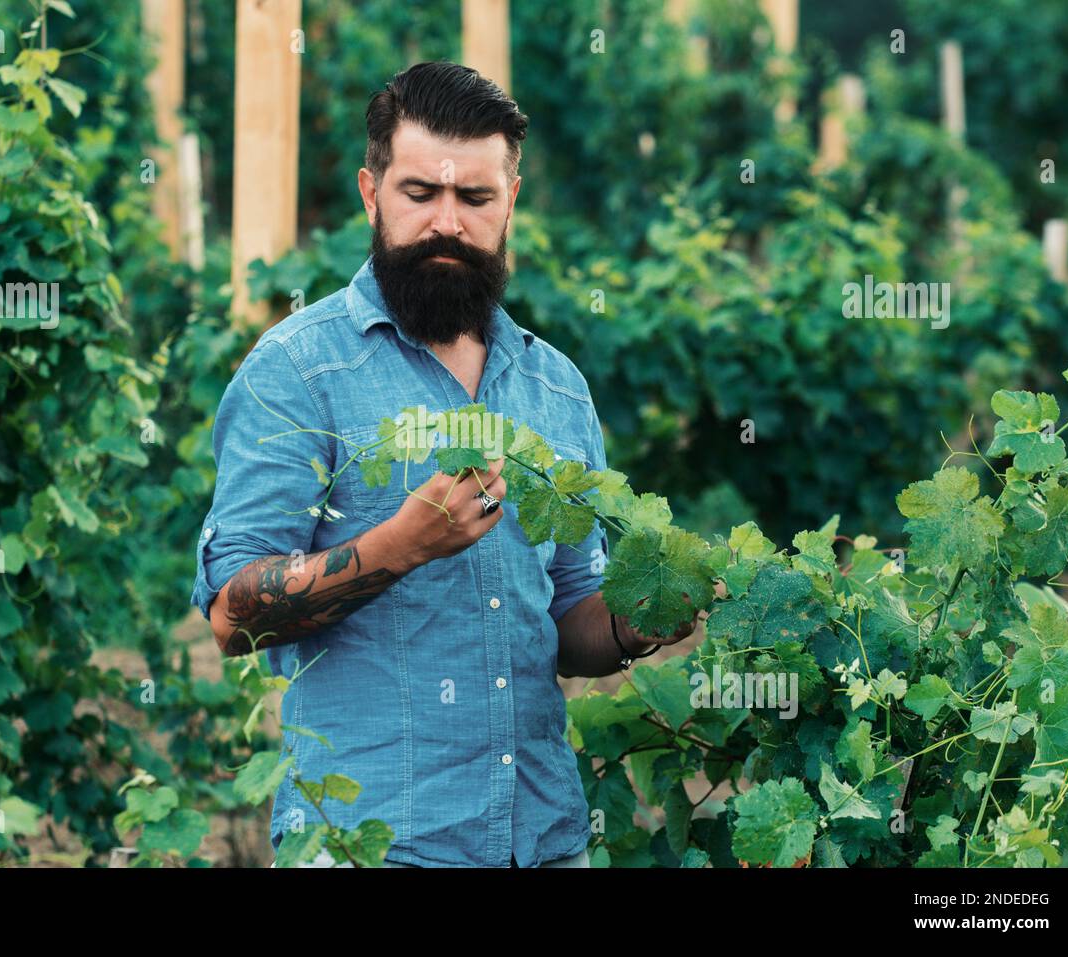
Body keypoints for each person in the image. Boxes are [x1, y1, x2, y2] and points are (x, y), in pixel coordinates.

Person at [191, 60, 704, 868]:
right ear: (371, 193)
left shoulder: (554, 386)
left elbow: (570, 618)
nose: (448, 223)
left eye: (475, 198)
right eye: (420, 193)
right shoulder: (297, 372)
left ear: (510, 204)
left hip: (541, 839)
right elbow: (233, 615)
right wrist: (401, 544)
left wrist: (637, 622)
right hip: (372, 848)